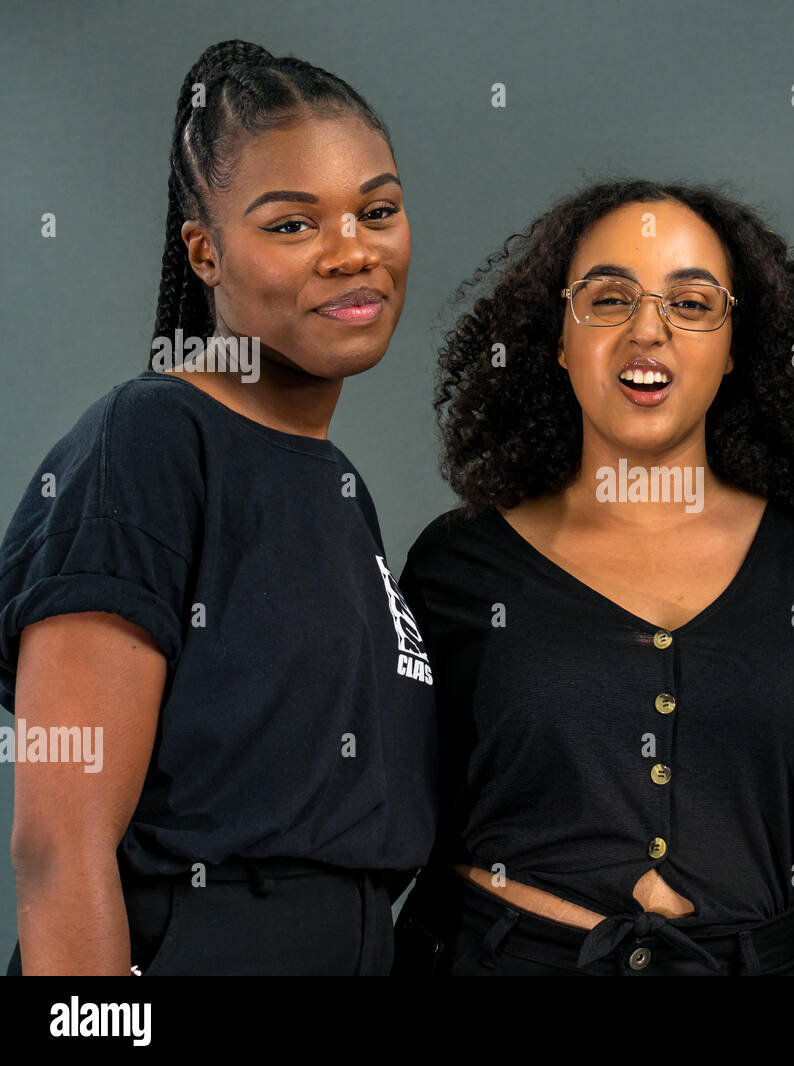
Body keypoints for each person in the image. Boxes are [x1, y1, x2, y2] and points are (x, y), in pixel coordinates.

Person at [1, 39, 435, 975]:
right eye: (291, 226)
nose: (350, 250)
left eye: (379, 210)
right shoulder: (151, 442)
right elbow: (56, 847)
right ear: (205, 252)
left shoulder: (338, 486)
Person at [395, 180, 794, 975]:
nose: (646, 330)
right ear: (557, 336)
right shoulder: (458, 564)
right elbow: (388, 818)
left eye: (690, 305)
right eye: (609, 298)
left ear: (733, 349)